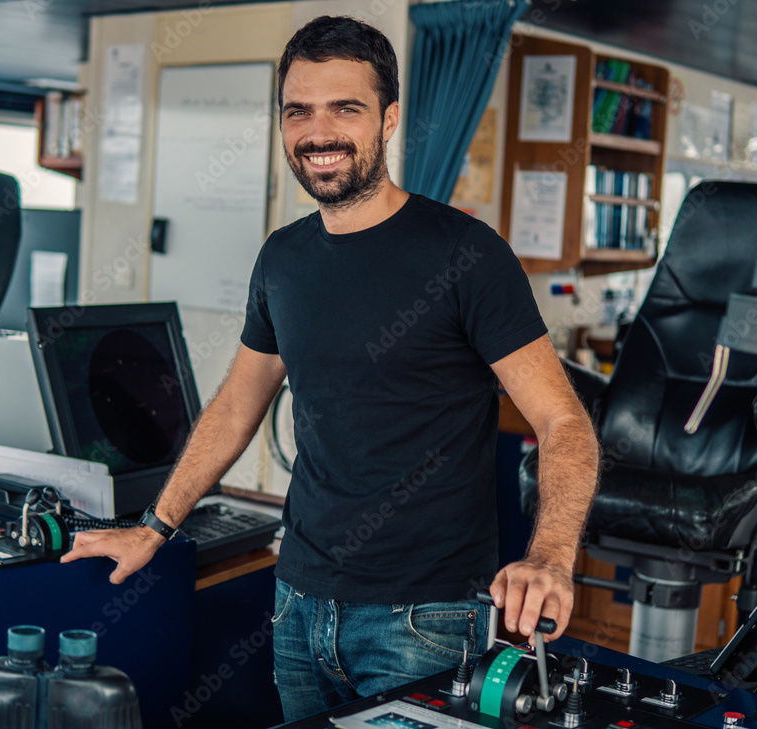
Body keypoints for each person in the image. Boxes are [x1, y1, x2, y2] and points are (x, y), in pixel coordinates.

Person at [61, 15, 599, 722]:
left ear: (389, 119)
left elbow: (564, 420)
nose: (319, 132)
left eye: (345, 107)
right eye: (298, 110)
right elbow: (236, 405)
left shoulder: (465, 254)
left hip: (425, 619)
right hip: (297, 602)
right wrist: (154, 524)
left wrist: (551, 557)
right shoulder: (283, 259)